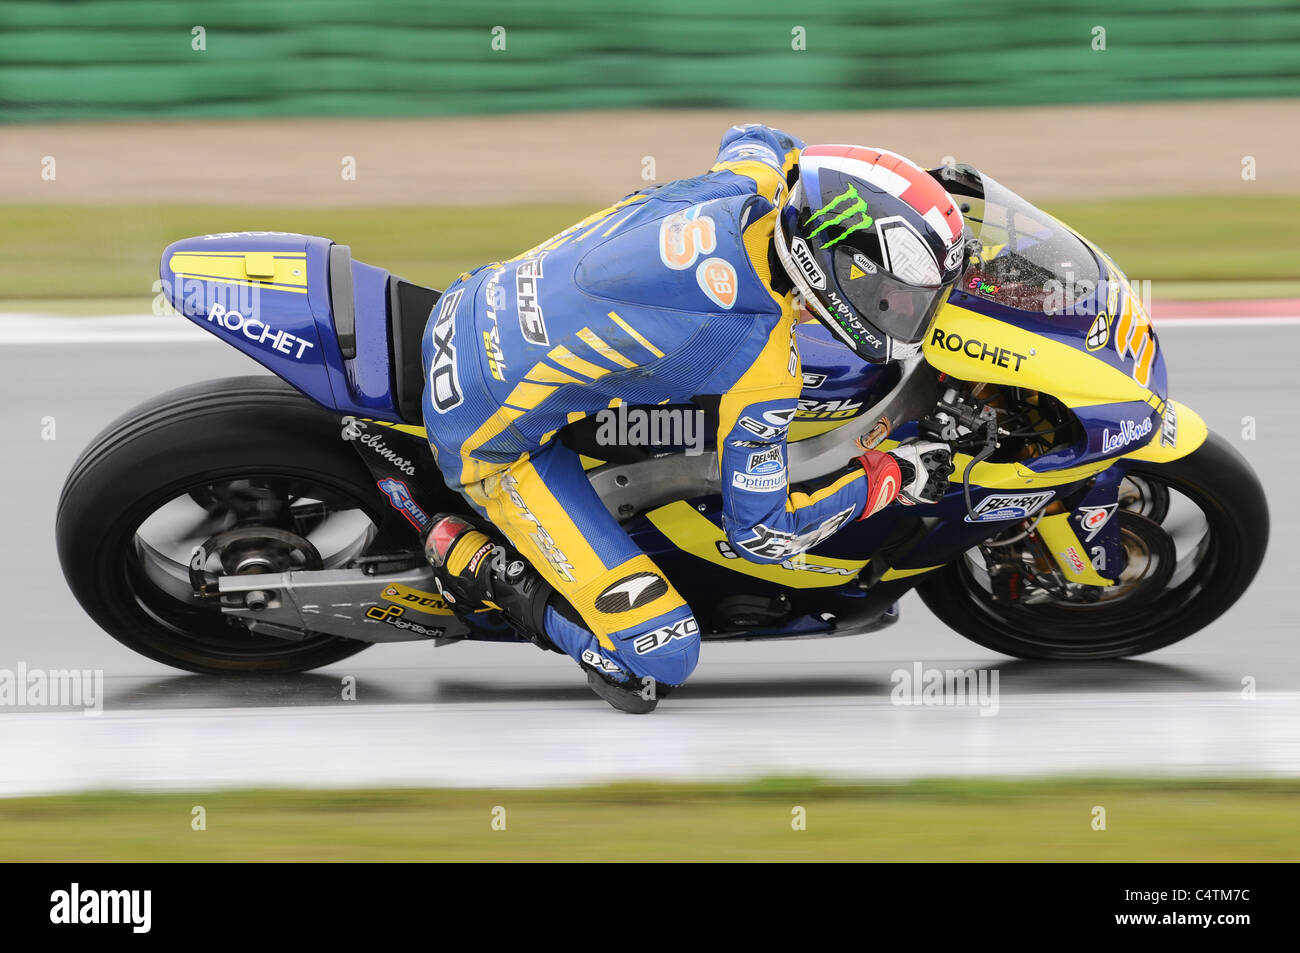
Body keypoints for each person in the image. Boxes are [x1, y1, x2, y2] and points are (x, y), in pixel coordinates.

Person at [420, 124, 967, 712]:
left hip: (469, 298)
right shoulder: (759, 364)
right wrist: (886, 481)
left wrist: (889, 199)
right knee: (659, 660)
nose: (905, 310)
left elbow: (759, 136)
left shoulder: (748, 184)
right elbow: (761, 536)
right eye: (894, 294)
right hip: (484, 435)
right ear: (831, 265)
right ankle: (480, 564)